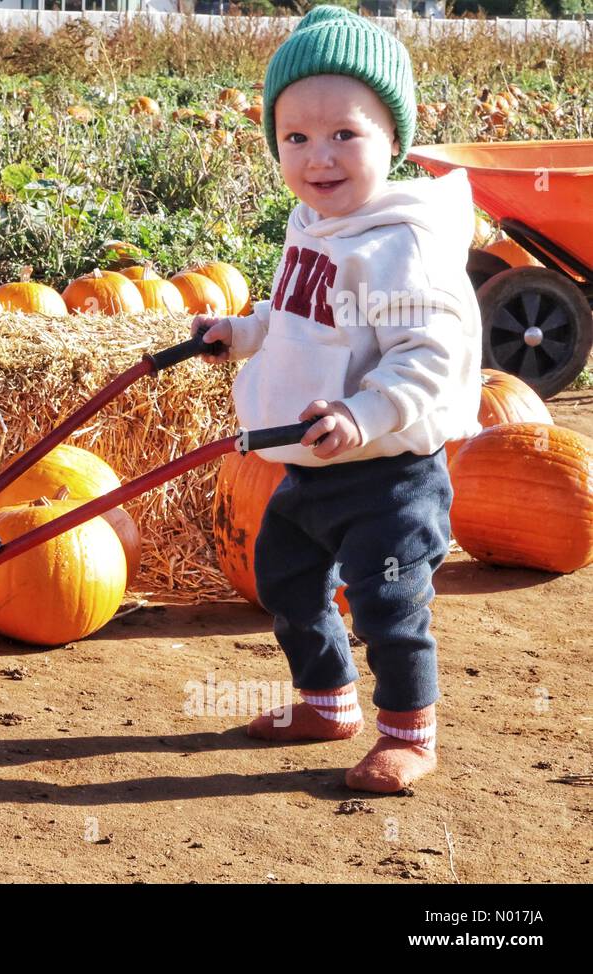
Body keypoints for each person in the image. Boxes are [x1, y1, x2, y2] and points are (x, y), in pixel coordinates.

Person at [190, 5, 481, 793]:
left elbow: (431, 353)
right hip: (311, 465)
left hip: (387, 472)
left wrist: (363, 413)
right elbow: (298, 316)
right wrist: (243, 332)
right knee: (285, 579)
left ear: (394, 139)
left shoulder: (403, 244)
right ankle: (325, 700)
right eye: (296, 138)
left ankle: (411, 733)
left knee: (388, 602)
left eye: (345, 135)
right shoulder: (313, 222)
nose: (319, 157)